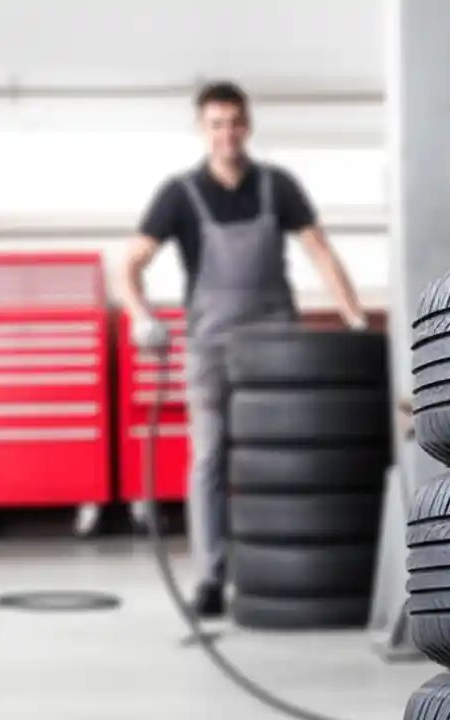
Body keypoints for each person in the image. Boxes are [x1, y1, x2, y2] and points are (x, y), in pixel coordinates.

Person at [119, 81, 368, 618]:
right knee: (209, 457)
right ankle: (210, 577)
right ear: (201, 129)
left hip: (277, 352)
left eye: (234, 122)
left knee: (283, 462)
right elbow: (129, 264)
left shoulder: (278, 187)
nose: (227, 133)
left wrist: (353, 317)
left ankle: (278, 569)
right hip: (211, 348)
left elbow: (320, 253)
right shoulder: (178, 195)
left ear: (248, 125)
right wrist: (140, 315)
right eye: (216, 124)